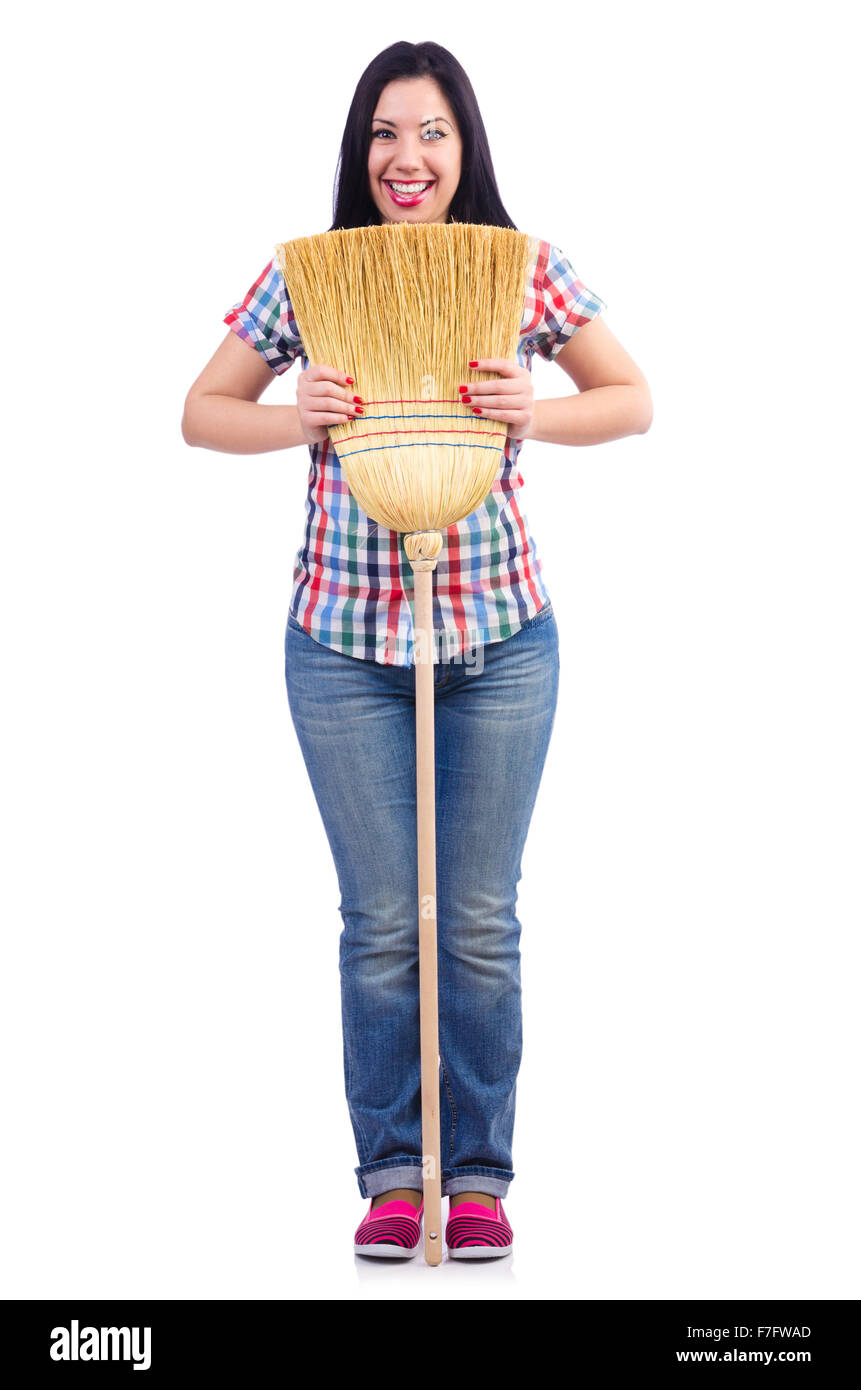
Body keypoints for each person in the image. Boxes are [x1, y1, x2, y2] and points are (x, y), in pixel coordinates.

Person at [182, 40, 652, 1260]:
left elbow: (632, 396)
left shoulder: (519, 271)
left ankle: (480, 1177)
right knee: (386, 917)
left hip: (498, 634)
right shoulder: (309, 277)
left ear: (465, 146)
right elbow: (201, 411)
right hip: (341, 643)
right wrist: (299, 418)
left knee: (481, 918)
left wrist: (530, 410)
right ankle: (397, 1175)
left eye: (432, 132)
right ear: (361, 149)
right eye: (387, 133)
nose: (408, 157)